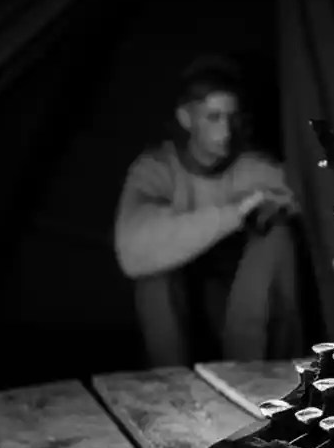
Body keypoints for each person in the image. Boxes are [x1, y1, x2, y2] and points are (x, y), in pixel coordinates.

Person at [114, 57, 305, 366]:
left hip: (239, 314)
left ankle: (253, 377)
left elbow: (308, 200)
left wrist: (278, 209)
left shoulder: (253, 168)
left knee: (278, 237)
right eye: (213, 117)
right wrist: (236, 213)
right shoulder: (156, 169)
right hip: (180, 314)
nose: (226, 130)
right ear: (186, 119)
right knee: (154, 274)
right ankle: (171, 385)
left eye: (231, 117)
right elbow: (132, 251)